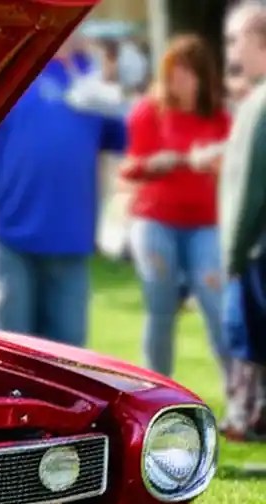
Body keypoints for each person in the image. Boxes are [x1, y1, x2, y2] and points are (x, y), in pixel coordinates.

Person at [0, 39, 127, 347]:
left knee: (65, 360)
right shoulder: (11, 69)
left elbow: (121, 140)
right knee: (7, 352)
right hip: (9, 237)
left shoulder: (93, 76)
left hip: (70, 239)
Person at [121, 35, 230, 379]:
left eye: (186, 73)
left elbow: (236, 167)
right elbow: (129, 167)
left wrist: (217, 165)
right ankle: (157, 392)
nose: (177, 81)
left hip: (204, 223)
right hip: (156, 222)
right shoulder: (148, 113)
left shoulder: (219, 118)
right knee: (161, 310)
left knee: (216, 304)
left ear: (202, 78)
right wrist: (154, 163)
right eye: (172, 72)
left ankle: (245, 396)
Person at [219, 3, 266, 441]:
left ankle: (245, 419)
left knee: (246, 338)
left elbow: (250, 187)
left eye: (237, 40)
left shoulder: (260, 103)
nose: (233, 53)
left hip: (256, 248)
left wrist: (232, 254)